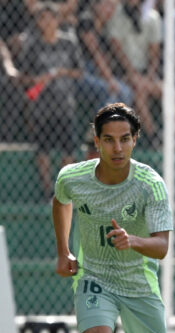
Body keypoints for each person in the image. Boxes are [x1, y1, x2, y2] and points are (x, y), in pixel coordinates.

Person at [51, 103, 174, 333]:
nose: (117, 148)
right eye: (108, 140)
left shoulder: (150, 184)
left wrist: (132, 241)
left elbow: (162, 247)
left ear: (135, 140)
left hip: (139, 283)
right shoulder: (73, 177)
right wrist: (63, 250)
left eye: (124, 139)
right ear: (96, 141)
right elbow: (61, 202)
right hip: (95, 276)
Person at [16, 2, 83, 201]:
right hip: (42, 106)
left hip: (64, 103)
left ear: (58, 20)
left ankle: (62, 189)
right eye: (42, 18)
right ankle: (47, 190)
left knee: (69, 147)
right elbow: (23, 77)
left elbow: (79, 72)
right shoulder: (33, 46)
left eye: (50, 18)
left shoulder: (68, 43)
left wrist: (62, 72)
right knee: (43, 147)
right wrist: (36, 80)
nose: (46, 22)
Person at [107, 0, 163, 143]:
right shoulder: (116, 15)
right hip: (123, 72)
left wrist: (150, 75)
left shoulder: (153, 17)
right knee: (139, 89)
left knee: (170, 92)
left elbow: (155, 53)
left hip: (146, 73)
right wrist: (132, 73)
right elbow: (117, 49)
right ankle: (153, 136)